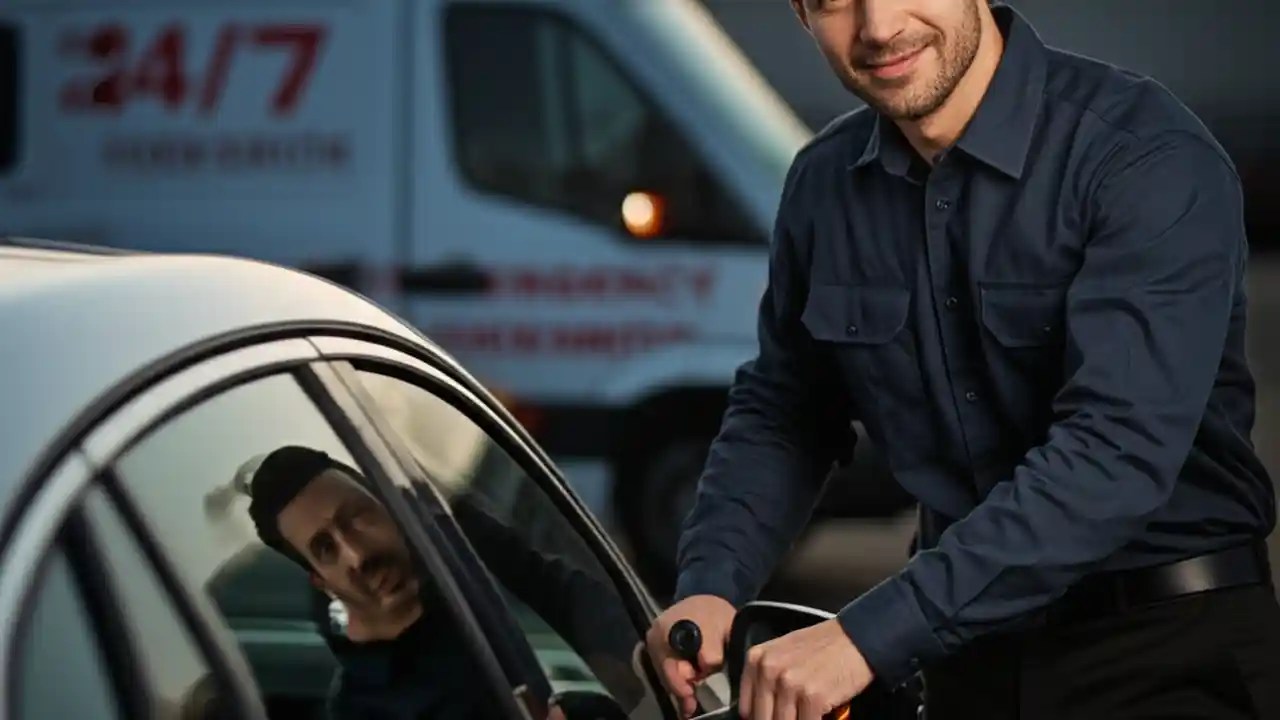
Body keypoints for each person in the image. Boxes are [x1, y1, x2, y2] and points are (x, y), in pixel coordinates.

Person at [644, 2, 1280, 719]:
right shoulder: (823, 186)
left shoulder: (1143, 157)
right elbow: (786, 413)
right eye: (834, 1)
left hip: (1166, 657)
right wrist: (711, 581)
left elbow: (1113, 453)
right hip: (961, 666)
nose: (878, 28)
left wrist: (863, 637)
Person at [247, 445, 642, 719]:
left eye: (357, 517)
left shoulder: (458, 545)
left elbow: (559, 587)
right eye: (325, 548)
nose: (357, 554)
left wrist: (634, 658)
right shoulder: (360, 709)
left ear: (390, 506)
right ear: (321, 581)